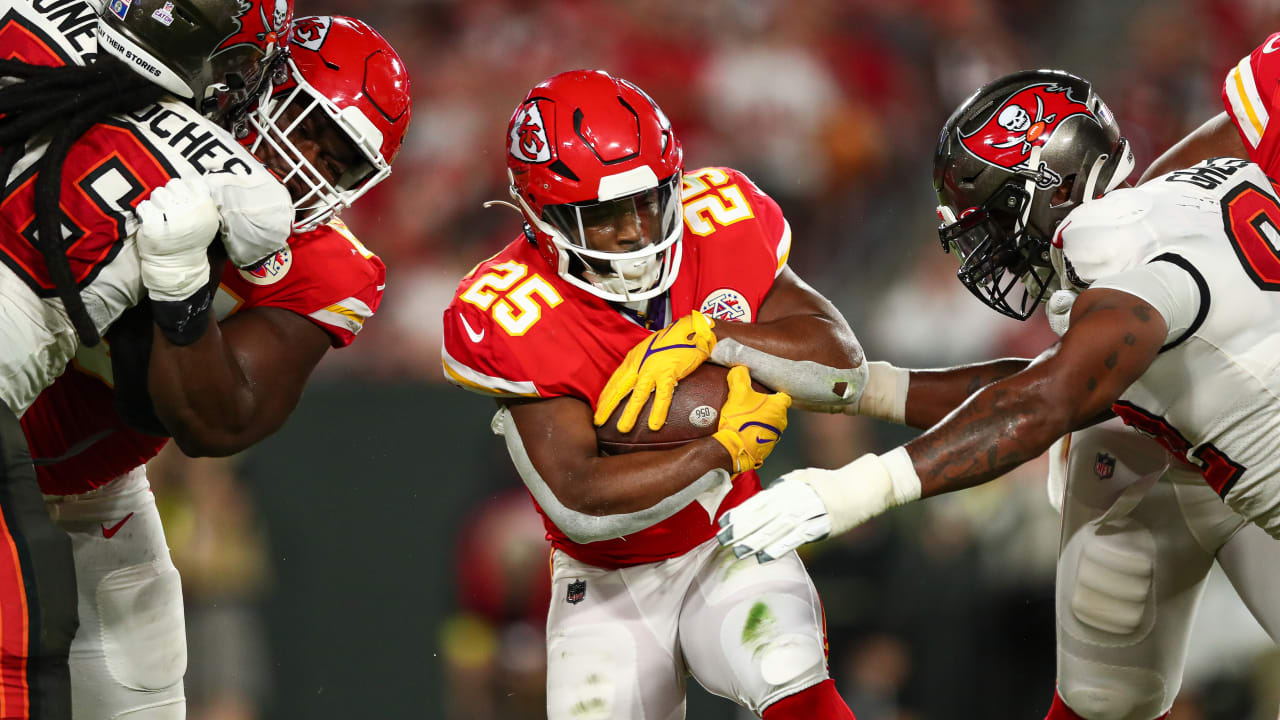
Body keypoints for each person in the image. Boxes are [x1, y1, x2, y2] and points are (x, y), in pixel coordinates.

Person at [715, 67, 1280, 710]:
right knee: (1104, 668)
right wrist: (865, 388)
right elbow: (1046, 379)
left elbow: (1048, 401)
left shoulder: (1116, 250)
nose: (988, 242)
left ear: (1057, 181)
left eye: (997, 213)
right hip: (1233, 466)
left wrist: (854, 489)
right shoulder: (1185, 197)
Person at [442, 69, 868, 719]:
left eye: (649, 199)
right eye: (604, 214)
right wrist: (718, 451)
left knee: (793, 682)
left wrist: (713, 336)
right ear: (540, 214)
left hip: (730, 540)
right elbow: (580, 499)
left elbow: (843, 370)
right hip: (606, 581)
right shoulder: (507, 308)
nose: (637, 229)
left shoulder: (720, 217)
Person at [20, 13, 412, 720]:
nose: (310, 162)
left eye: (341, 159)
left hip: (95, 485)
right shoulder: (136, 117)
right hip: (12, 433)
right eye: (306, 123)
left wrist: (179, 290)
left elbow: (218, 420)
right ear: (253, 83)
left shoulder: (332, 268)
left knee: (145, 691)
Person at [0, 1, 295, 715]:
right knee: (28, 649)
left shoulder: (34, 24)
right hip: (25, 418)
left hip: (70, 456)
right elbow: (266, 227)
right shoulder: (233, 179)